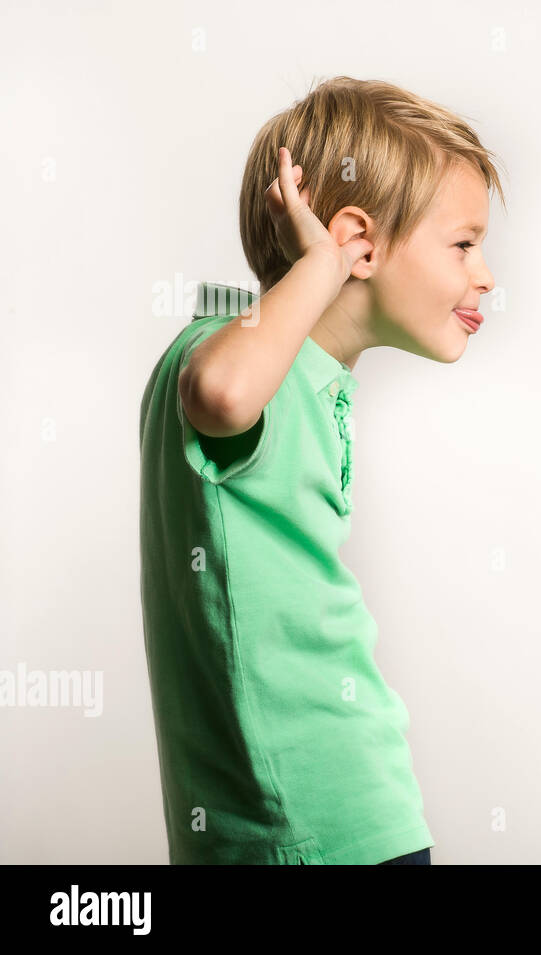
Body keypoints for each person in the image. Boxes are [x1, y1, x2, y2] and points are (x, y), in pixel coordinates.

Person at [138, 76, 503, 864]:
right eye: (464, 244)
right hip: (301, 823)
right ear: (357, 243)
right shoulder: (222, 351)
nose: (486, 275)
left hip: (346, 810)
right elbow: (224, 391)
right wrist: (320, 266)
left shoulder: (312, 378)